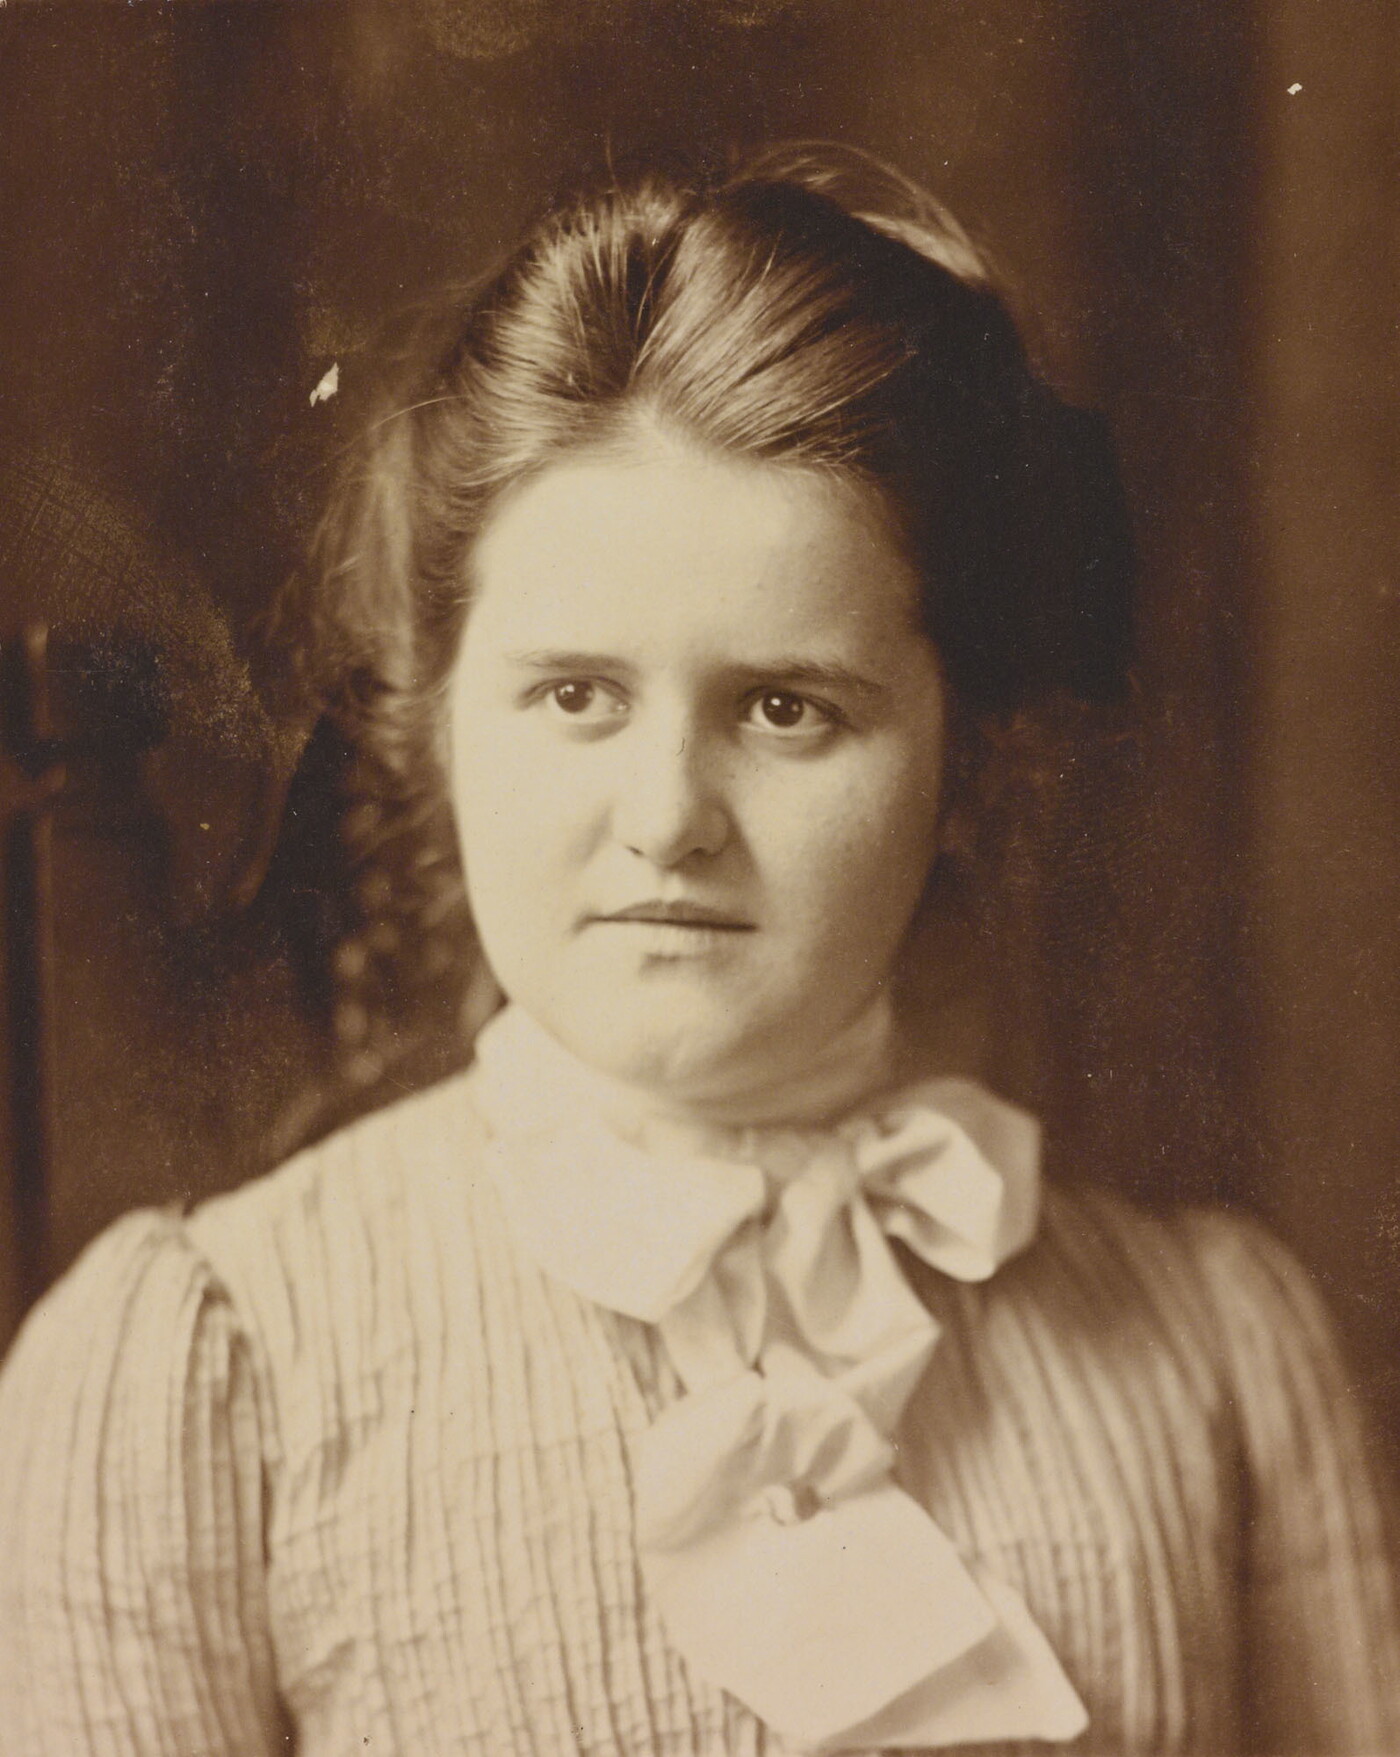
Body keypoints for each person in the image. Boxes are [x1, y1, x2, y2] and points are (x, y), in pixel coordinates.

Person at [0, 143, 1396, 1757]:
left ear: (966, 759)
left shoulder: (1222, 1358)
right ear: (439, 722)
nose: (668, 817)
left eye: (786, 707)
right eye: (575, 693)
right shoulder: (206, 1367)